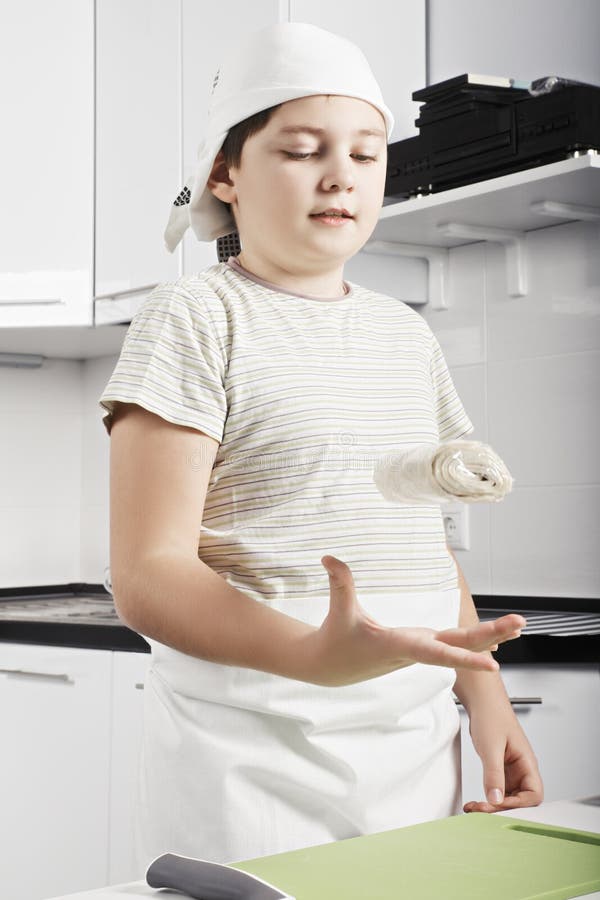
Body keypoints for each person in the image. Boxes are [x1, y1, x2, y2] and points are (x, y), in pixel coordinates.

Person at [99, 21, 543, 868]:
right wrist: (312, 656)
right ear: (225, 174)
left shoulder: (404, 336)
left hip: (414, 752)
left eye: (367, 153)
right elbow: (148, 573)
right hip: (254, 756)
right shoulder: (195, 318)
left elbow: (423, 540)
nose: (342, 174)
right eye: (303, 149)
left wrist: (485, 695)